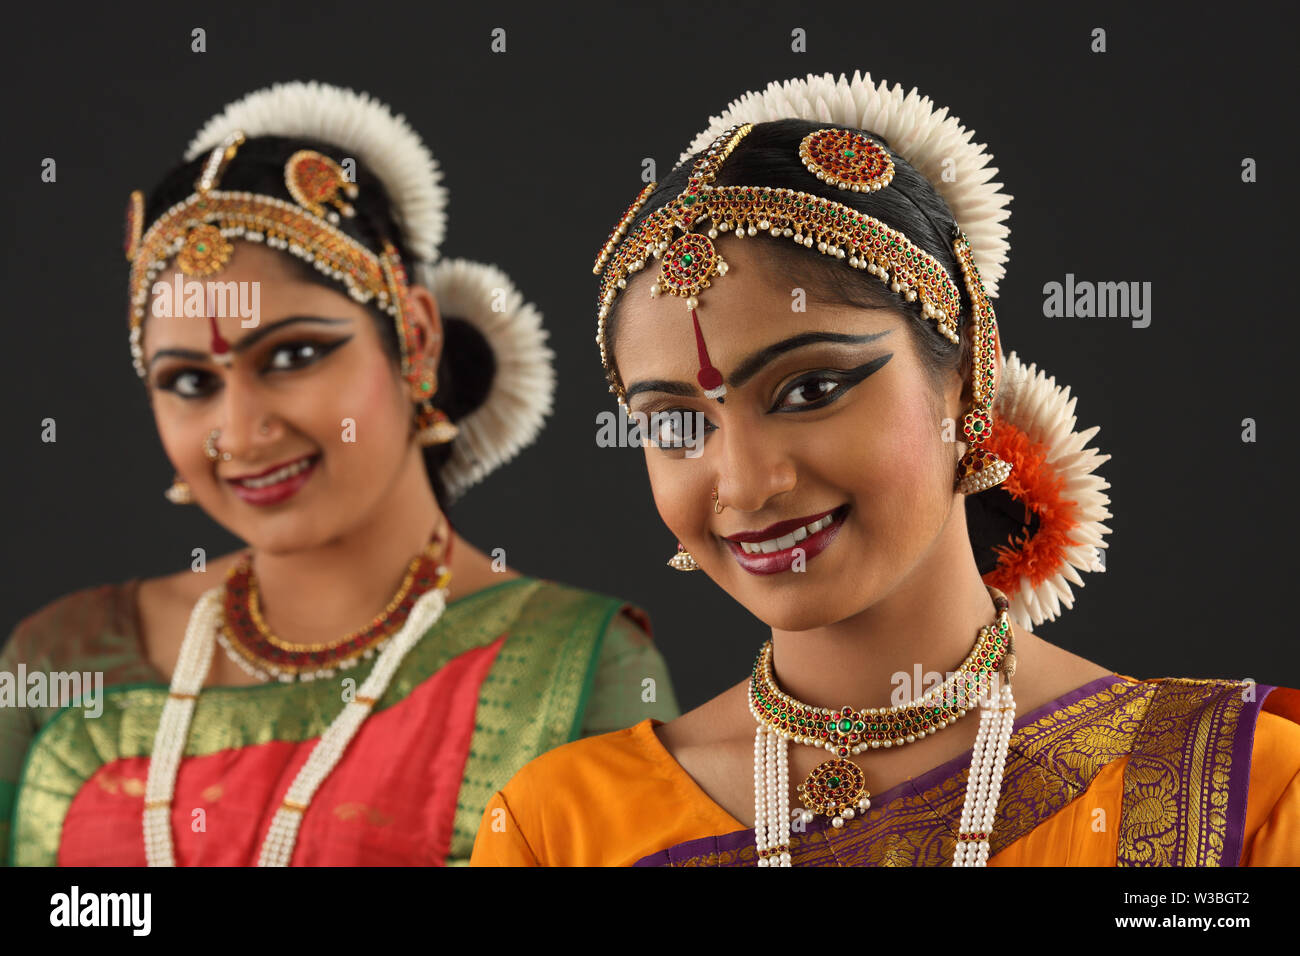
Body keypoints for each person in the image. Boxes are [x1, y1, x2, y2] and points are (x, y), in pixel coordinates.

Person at [471, 71, 1299, 866]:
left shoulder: (1233, 792)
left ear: (969, 372)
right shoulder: (561, 832)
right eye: (680, 424)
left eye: (810, 389)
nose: (748, 484)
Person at [1, 81, 678, 867]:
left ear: (417, 341)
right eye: (190, 382)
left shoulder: (578, 668)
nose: (241, 430)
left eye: (291, 356)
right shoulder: (62, 656)